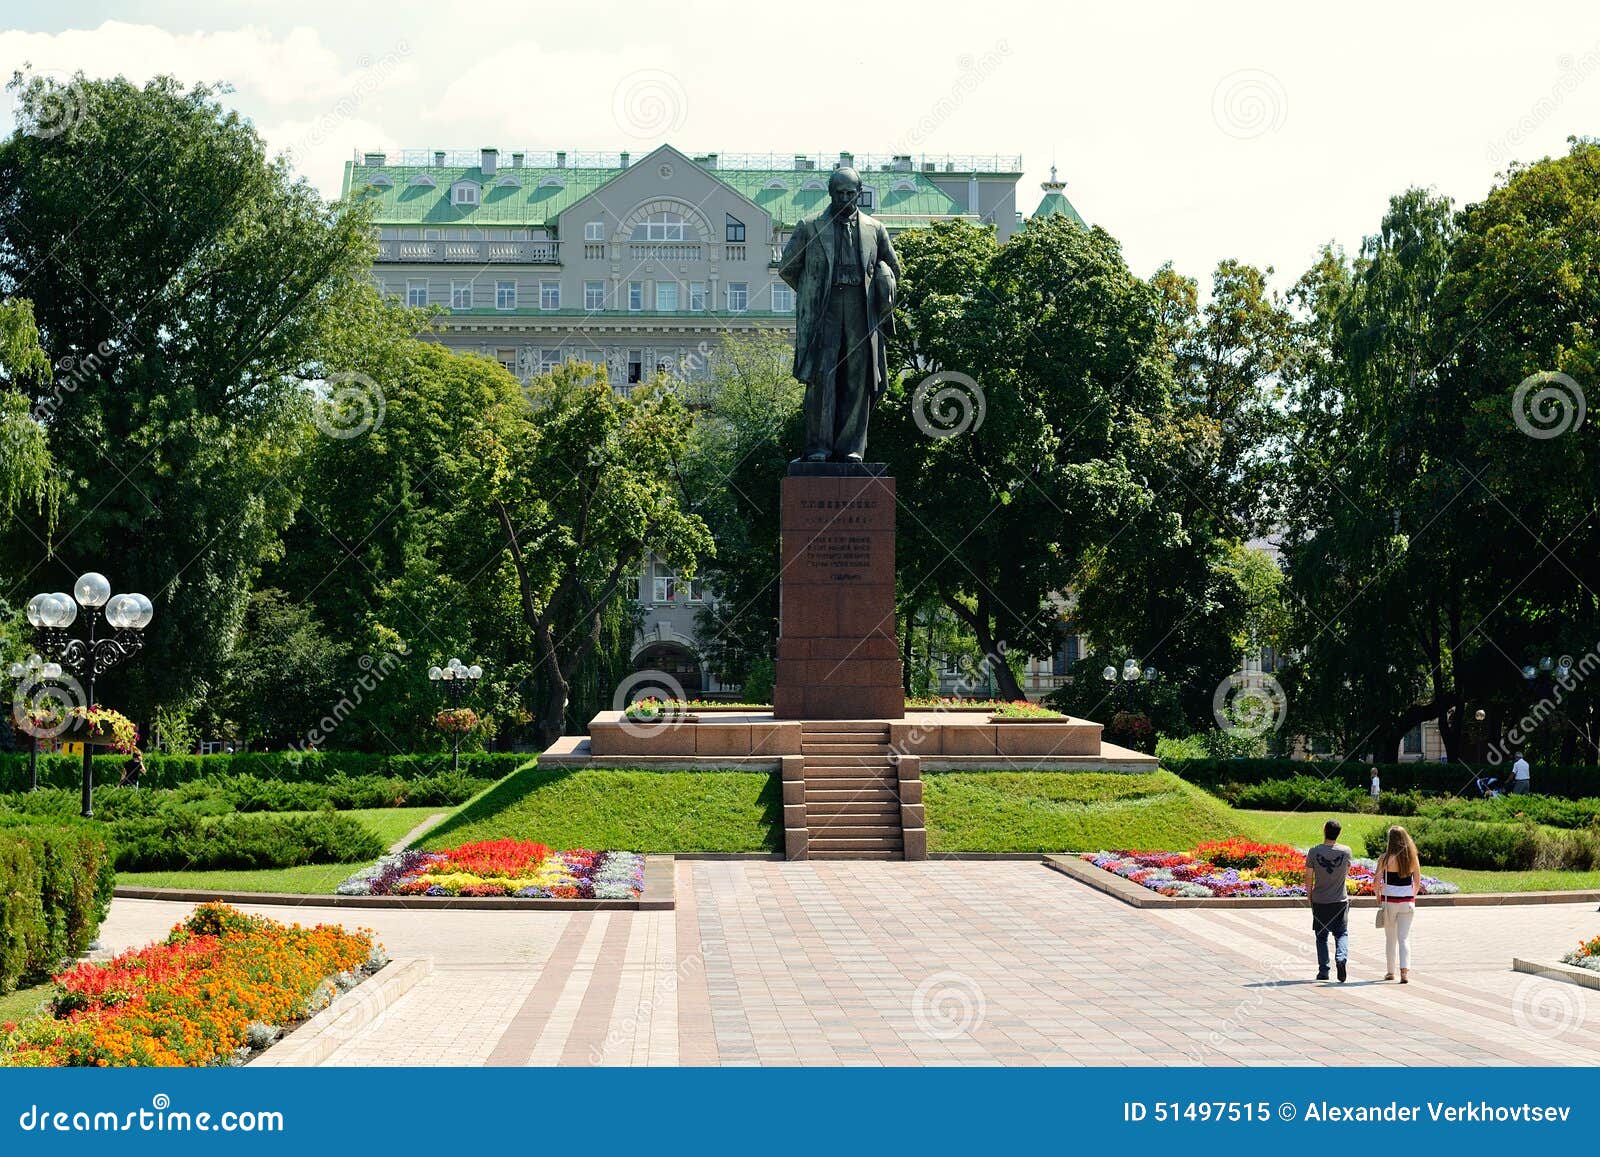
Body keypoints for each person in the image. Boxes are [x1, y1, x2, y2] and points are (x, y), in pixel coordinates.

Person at [778, 166, 901, 463]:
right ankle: (818, 447)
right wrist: (813, 291)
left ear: (859, 193)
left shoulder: (876, 228)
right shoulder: (809, 226)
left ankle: (852, 448)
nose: (845, 198)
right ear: (831, 193)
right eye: (839, 193)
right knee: (824, 376)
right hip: (826, 309)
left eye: (851, 193)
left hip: (862, 308)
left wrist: (884, 279)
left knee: (857, 377)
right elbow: (788, 268)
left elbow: (893, 267)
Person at [1303, 819, 1353, 983]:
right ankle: (1341, 958)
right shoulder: (1346, 851)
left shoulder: (1314, 851)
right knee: (1341, 933)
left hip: (1320, 900)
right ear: (1339, 833)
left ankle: (1324, 970)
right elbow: (1346, 872)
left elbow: (1309, 876)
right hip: (1340, 900)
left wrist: (1309, 895)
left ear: (1324, 830)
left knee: (1321, 936)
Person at [1375, 825, 1421, 983]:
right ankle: (1404, 972)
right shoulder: (1412, 858)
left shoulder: (1385, 858)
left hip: (1389, 901)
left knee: (1390, 938)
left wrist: (1378, 897)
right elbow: (1417, 880)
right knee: (1404, 938)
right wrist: (1411, 896)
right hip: (1407, 902)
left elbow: (1377, 880)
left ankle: (1390, 972)